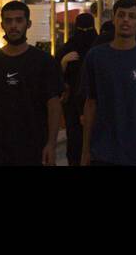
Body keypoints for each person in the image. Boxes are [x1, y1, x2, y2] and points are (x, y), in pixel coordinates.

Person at [80, 0, 136, 165]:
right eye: (121, 15)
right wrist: (85, 149)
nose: (126, 20)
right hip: (103, 149)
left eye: (132, 16)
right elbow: (90, 103)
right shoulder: (96, 56)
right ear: (113, 19)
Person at [0, 1, 63, 165]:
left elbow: (54, 105)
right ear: (2, 24)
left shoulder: (44, 61)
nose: (13, 26)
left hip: (34, 145)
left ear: (28, 24)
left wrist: (51, 144)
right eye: (9, 21)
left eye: (19, 20)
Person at [59, 12, 98, 165]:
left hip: (92, 103)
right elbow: (56, 78)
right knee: (76, 143)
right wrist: (63, 62)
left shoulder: (99, 49)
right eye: (82, 30)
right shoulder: (68, 50)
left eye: (88, 30)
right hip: (74, 106)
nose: (85, 34)